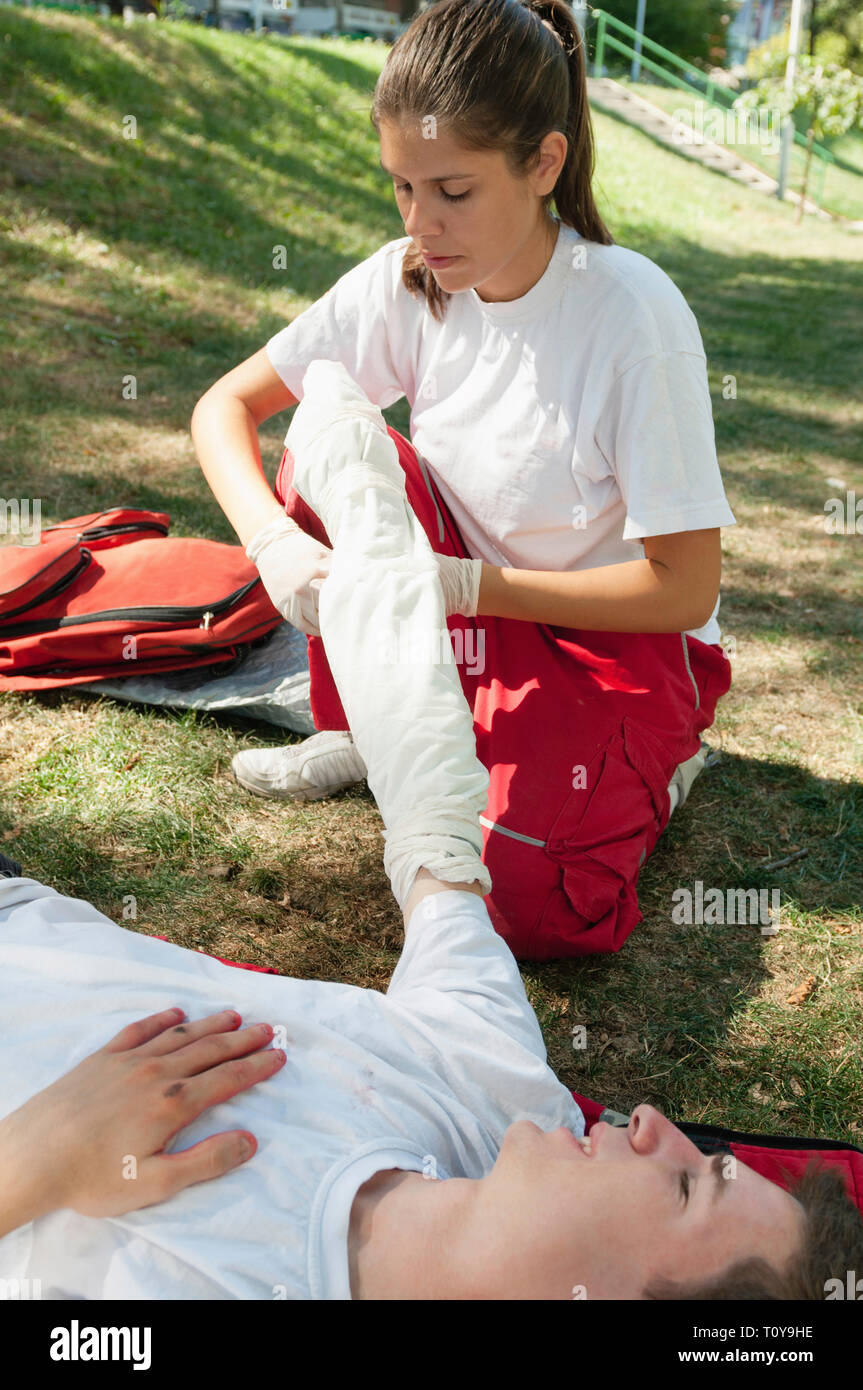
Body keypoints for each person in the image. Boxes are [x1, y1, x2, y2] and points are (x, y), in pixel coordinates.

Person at [2, 365, 860, 1301]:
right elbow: (436, 834)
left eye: (692, 1184)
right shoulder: (494, 1100)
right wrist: (360, 501)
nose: (657, 1122)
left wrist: (31, 1163)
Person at [190, 0, 738, 960]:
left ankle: (664, 758)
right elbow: (224, 410)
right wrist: (275, 547)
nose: (421, 224)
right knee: (327, 420)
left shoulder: (630, 314)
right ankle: (372, 724)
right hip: (460, 618)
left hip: (607, 644)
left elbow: (684, 589)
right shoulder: (406, 278)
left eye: (452, 189)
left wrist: (465, 586)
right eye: (401, 187)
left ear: (544, 164)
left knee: (523, 904)